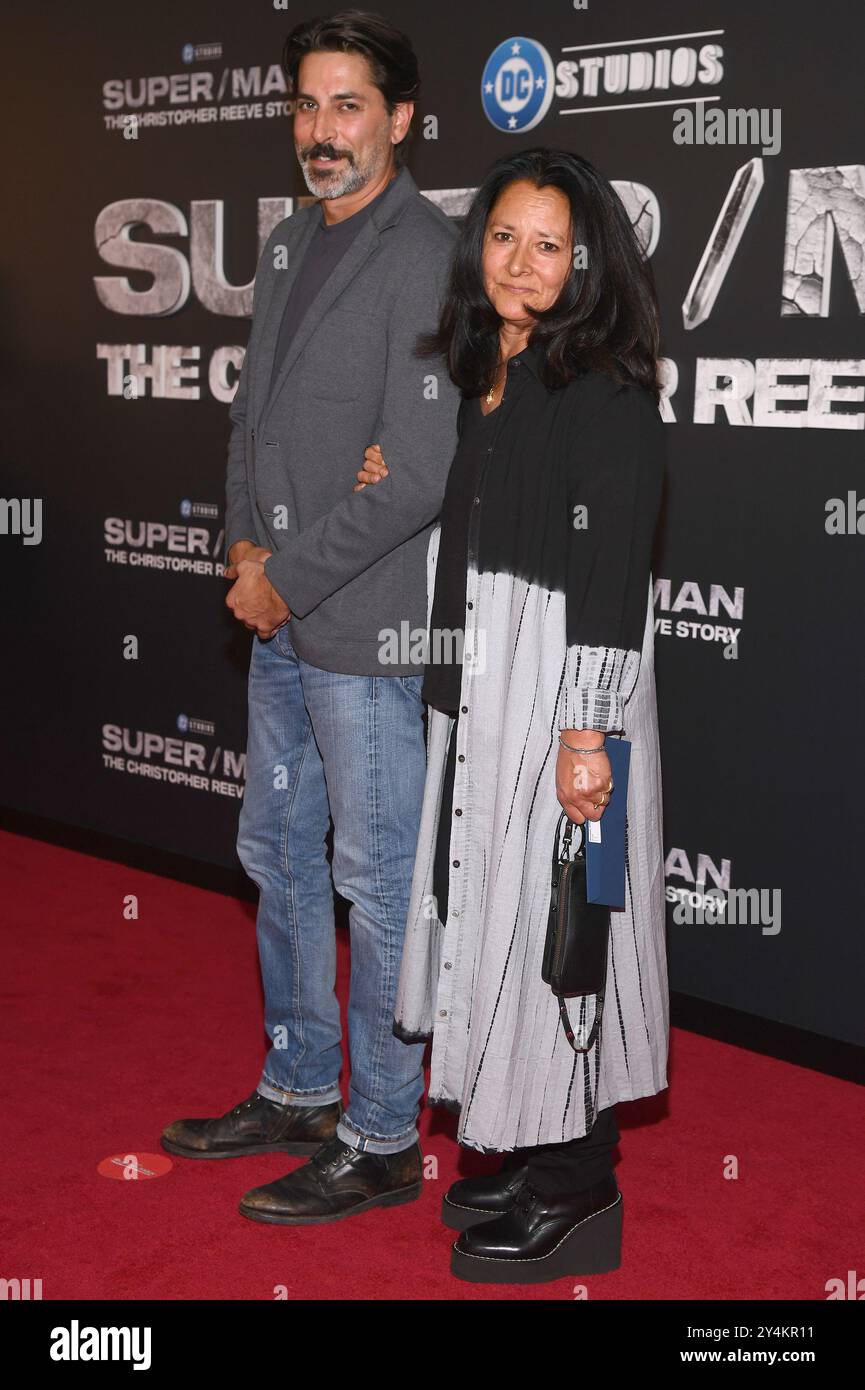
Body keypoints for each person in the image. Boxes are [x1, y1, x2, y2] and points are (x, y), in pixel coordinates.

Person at [161, 10, 461, 1225]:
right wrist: (244, 543)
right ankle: (298, 1085)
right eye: (306, 106)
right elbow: (252, 420)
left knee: (374, 881)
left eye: (348, 106)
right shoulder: (289, 242)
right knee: (277, 856)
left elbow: (419, 472)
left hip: (367, 628)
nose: (321, 131)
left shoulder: (428, 253)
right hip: (278, 615)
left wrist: (285, 576)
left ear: (400, 119)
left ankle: (383, 1133)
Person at [354, 147, 669, 1283]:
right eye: (502, 237)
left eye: (549, 246)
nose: (520, 264)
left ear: (587, 265)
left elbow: (613, 577)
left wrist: (587, 735)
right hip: (486, 695)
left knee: (567, 939)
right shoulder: (493, 370)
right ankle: (537, 1154)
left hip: (566, 705)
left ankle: (581, 1191)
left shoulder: (607, 389)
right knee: (497, 925)